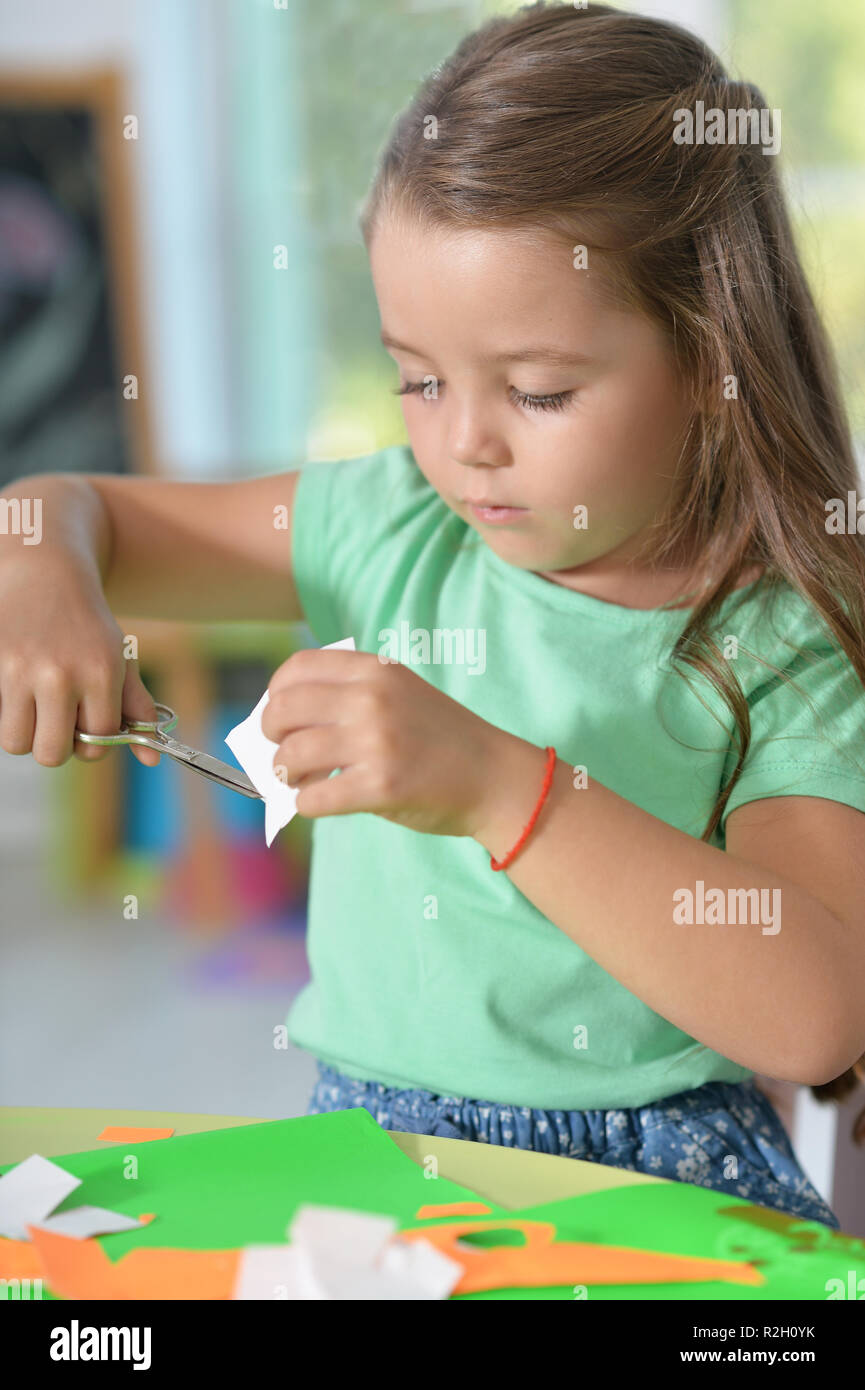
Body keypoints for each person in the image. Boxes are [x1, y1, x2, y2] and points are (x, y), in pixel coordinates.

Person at [2, 3, 864, 1229]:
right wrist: (38, 570)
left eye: (537, 389)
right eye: (417, 376)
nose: (463, 441)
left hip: (650, 1178)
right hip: (364, 1154)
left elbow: (816, 1009)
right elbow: (64, 508)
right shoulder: (390, 523)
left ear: (709, 364)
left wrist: (502, 790)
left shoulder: (777, 640)